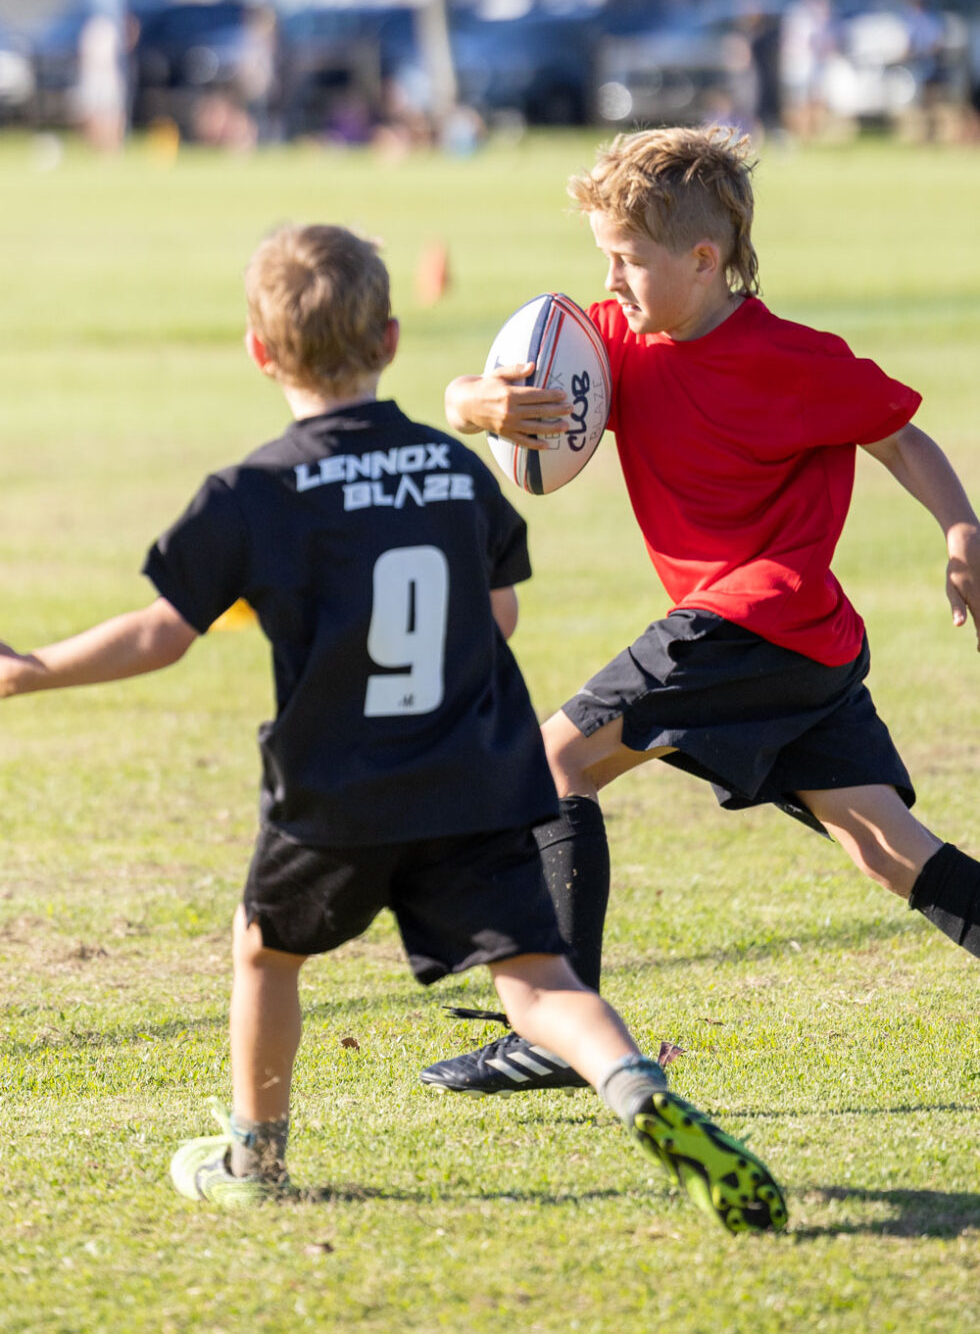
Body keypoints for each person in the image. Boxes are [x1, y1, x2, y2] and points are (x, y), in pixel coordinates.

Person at [0, 223, 787, 1234]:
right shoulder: (455, 473)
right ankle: (637, 1088)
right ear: (391, 339)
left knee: (262, 951)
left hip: (336, 788)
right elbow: (500, 615)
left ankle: (253, 1155)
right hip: (472, 776)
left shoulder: (254, 491)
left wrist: (30, 672)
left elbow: (160, 634)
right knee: (537, 980)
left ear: (258, 351)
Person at [421, 125, 980, 1101]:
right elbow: (467, 395)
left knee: (549, 762)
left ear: (702, 258)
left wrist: (960, 528)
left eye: (625, 260)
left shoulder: (793, 359)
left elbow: (898, 437)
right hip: (797, 648)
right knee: (888, 847)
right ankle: (559, 1024)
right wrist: (478, 405)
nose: (609, 278)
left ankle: (559, 1024)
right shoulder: (614, 341)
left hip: (751, 619)